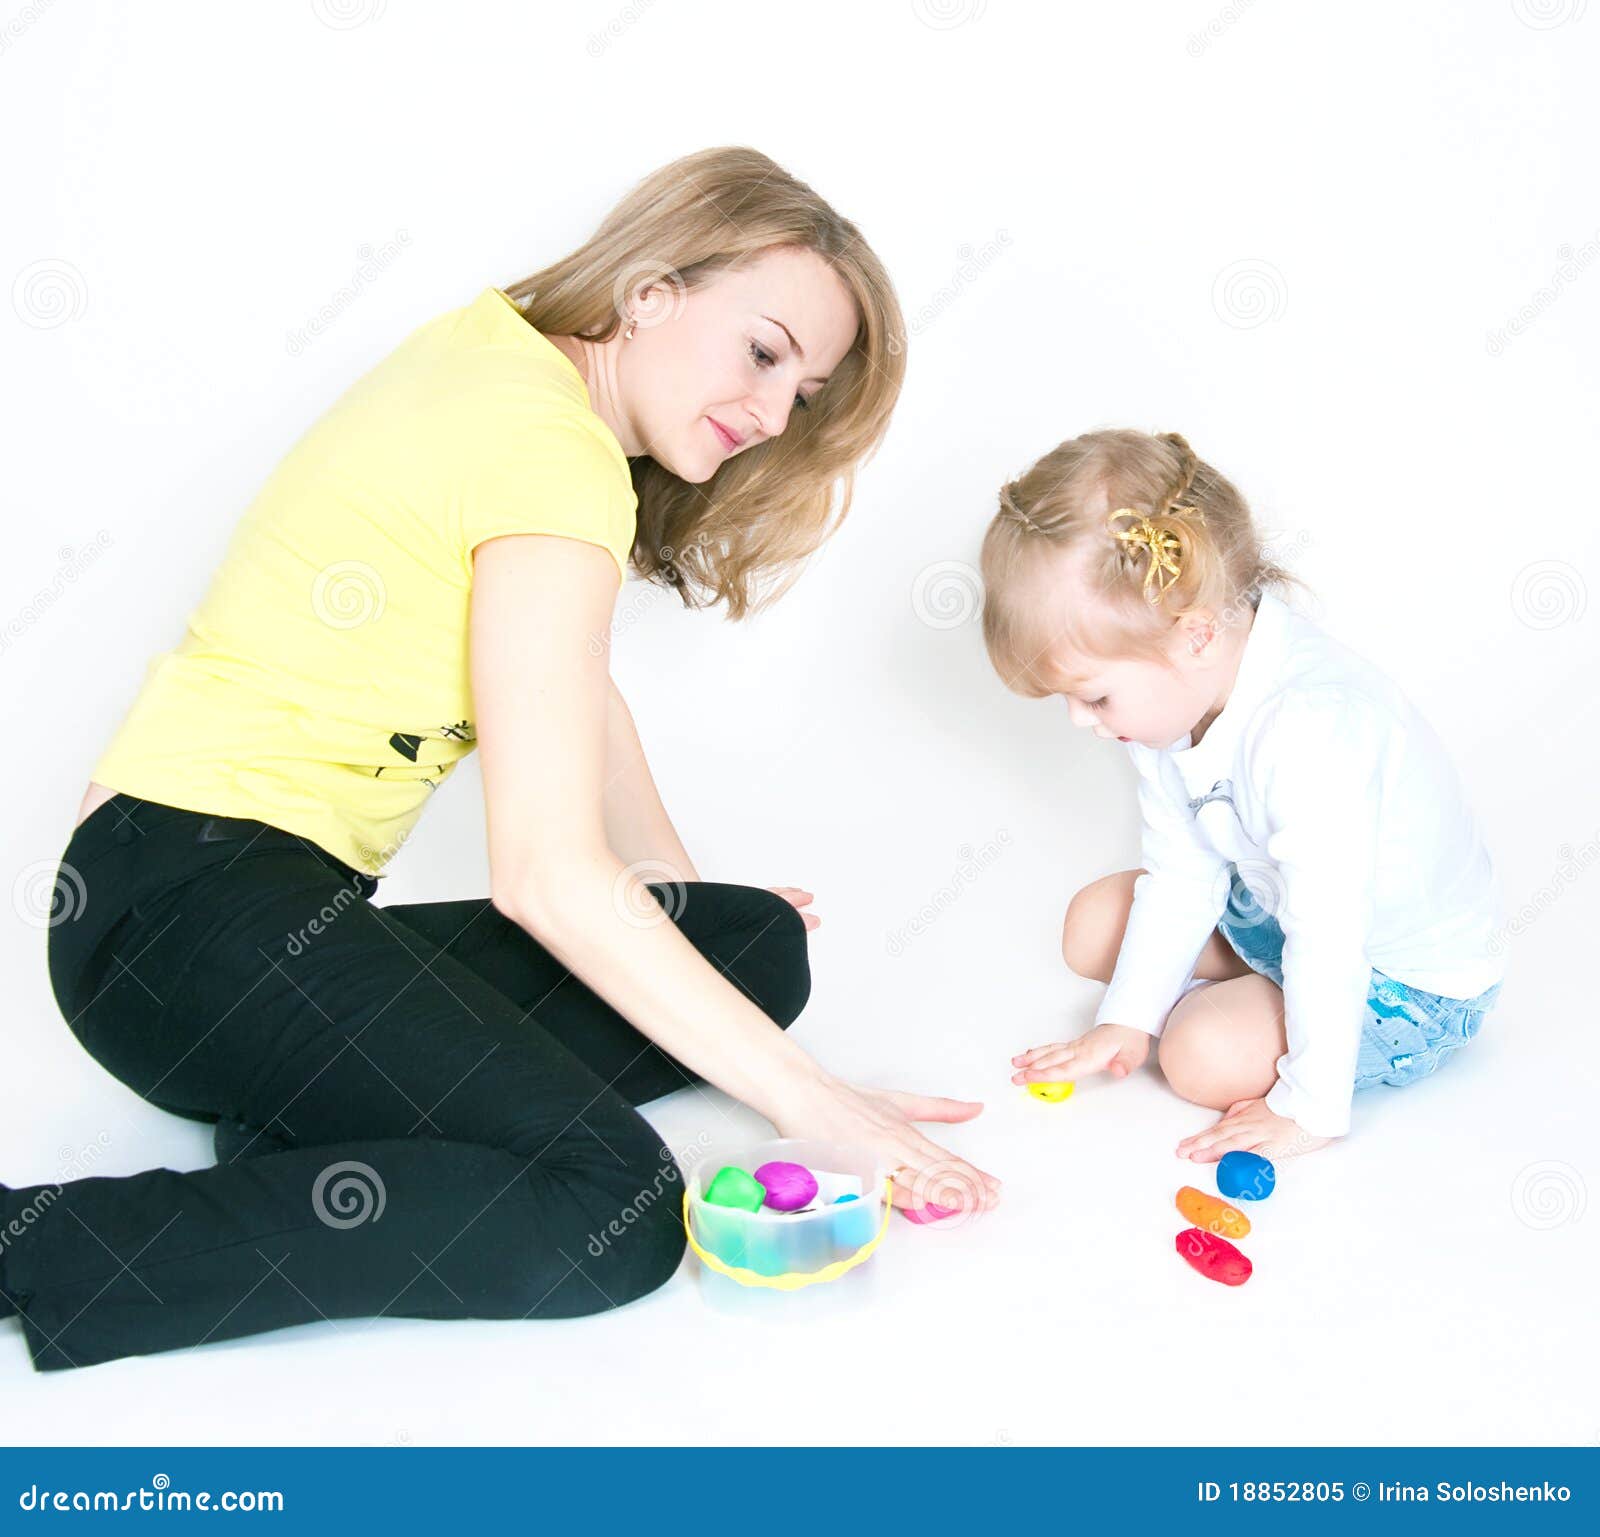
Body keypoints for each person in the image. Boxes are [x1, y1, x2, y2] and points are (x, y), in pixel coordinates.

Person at [2, 146, 999, 1373]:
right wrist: (821, 1107)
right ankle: (25, 1244)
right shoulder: (552, 460)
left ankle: (301, 1129)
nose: (776, 409)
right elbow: (545, 876)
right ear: (650, 293)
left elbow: (574, 689)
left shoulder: (498, 366)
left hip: (190, 912)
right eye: (765, 348)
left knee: (750, 948)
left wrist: (685, 917)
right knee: (606, 1216)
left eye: (805, 388)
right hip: (183, 927)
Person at [980, 428, 1505, 1160]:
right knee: (1090, 926)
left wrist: (1307, 1107)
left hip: (1403, 977)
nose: (1081, 722)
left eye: (1094, 697)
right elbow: (1185, 871)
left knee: (1196, 1054)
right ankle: (1238, 998)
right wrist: (1127, 1018)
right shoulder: (1169, 704)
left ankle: (1251, 1018)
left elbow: (1330, 932)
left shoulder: (1311, 732)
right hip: (1283, 910)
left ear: (1194, 635)